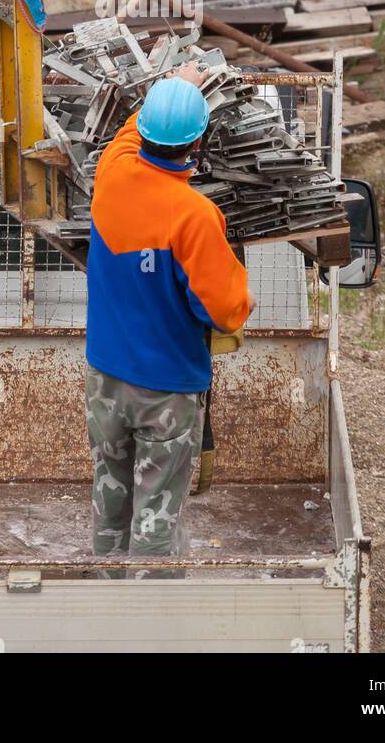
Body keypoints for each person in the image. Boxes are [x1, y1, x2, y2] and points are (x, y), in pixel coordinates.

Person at [84, 60, 255, 561]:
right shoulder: (196, 217)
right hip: (167, 390)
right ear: (197, 146)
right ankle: (151, 619)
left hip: (105, 380)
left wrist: (174, 88)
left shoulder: (110, 174)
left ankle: (108, 600)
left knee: (110, 496)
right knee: (156, 513)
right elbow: (227, 313)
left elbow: (127, 132)